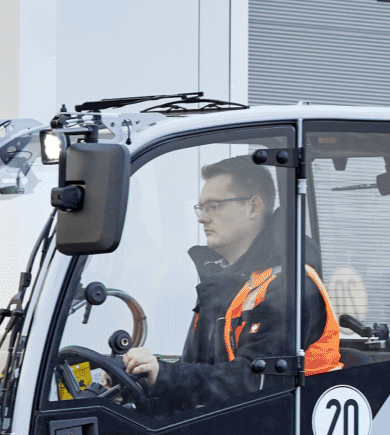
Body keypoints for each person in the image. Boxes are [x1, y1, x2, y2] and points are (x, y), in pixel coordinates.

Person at [121, 155, 340, 406]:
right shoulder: (225, 286)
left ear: (254, 207)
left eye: (213, 206)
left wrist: (164, 374)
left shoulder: (289, 286)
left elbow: (252, 381)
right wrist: (140, 378)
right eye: (201, 208)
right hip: (231, 422)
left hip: (285, 422)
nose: (202, 218)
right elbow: (201, 376)